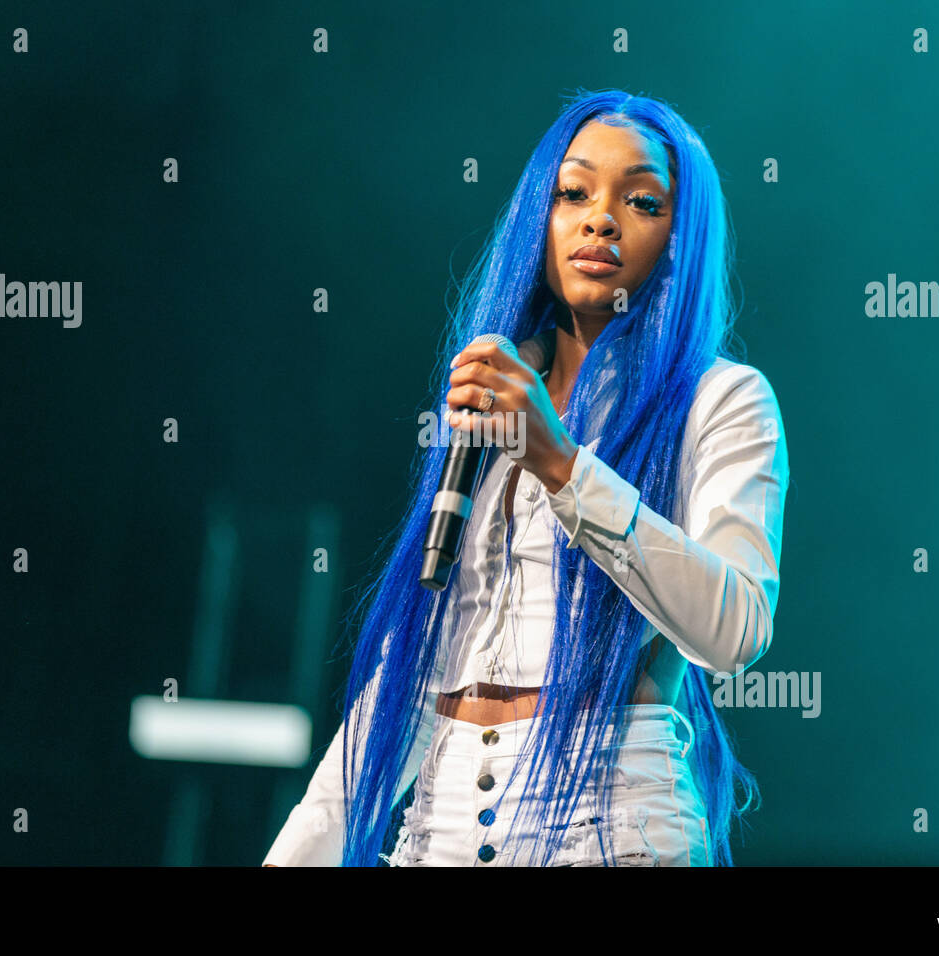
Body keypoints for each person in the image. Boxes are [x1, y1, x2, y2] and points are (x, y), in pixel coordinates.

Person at [263, 88, 789, 867]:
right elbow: (413, 663)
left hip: (606, 822)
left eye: (640, 200)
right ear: (537, 220)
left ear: (679, 238)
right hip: (440, 824)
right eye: (573, 193)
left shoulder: (724, 399)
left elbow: (735, 627)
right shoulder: (491, 398)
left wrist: (563, 464)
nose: (599, 218)